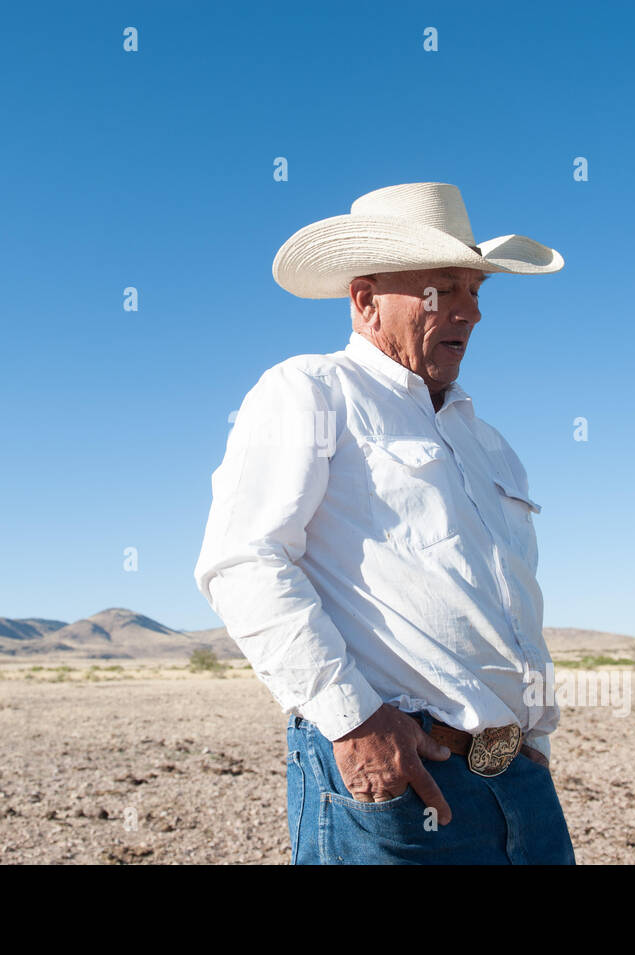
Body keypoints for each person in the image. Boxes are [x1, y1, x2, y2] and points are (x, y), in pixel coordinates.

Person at [194, 182, 575, 864]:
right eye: (444, 290)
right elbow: (243, 560)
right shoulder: (309, 391)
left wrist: (535, 743)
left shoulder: (486, 440)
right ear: (365, 300)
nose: (471, 312)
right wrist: (354, 720)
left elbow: (513, 597)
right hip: (405, 775)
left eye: (477, 292)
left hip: (517, 780)